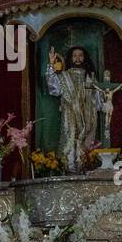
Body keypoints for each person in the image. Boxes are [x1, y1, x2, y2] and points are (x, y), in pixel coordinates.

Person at [44, 45, 102, 173]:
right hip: (70, 115)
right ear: (70, 58)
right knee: (70, 139)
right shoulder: (64, 76)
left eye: (80, 55)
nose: (77, 58)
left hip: (87, 116)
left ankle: (86, 168)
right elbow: (54, 89)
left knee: (86, 143)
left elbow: (98, 100)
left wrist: (101, 106)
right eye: (74, 55)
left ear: (85, 58)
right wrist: (51, 65)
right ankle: (69, 170)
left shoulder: (91, 77)